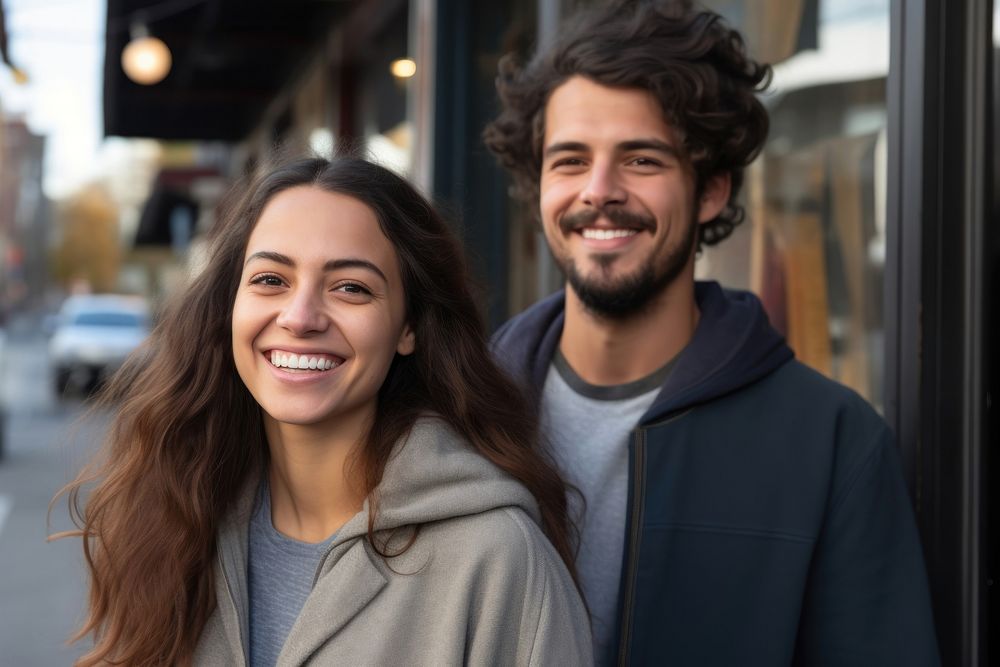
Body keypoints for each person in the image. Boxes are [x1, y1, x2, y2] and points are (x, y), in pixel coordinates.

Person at [484, 0, 939, 664]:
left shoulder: (831, 442)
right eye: (570, 161)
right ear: (538, 185)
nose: (599, 191)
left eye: (641, 160)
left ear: (712, 190)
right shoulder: (463, 413)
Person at [59, 156, 592, 666]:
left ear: (409, 327)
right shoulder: (175, 517)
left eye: (351, 288)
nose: (300, 316)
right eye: (271, 280)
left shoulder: (497, 559)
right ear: (230, 307)